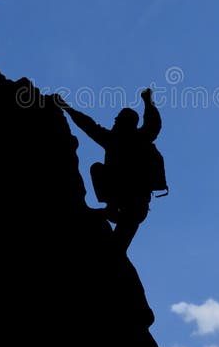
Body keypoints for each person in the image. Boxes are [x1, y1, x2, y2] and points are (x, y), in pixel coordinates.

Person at [54, 88, 162, 249]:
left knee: (117, 247)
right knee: (97, 169)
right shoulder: (120, 139)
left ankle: (111, 211)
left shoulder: (132, 139)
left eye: (118, 120)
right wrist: (67, 108)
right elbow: (88, 125)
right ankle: (111, 209)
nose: (114, 121)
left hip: (134, 204)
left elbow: (153, 122)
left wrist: (148, 101)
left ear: (125, 123)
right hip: (128, 203)